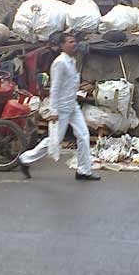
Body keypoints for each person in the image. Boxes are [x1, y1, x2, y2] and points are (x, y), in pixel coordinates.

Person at [18, 33, 100, 181]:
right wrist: (53, 110)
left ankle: (83, 170)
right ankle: (25, 159)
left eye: (74, 41)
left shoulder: (71, 61)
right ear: (62, 45)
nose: (74, 44)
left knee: (83, 135)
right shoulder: (59, 63)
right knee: (54, 140)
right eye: (70, 42)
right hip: (61, 108)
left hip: (72, 105)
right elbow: (55, 88)